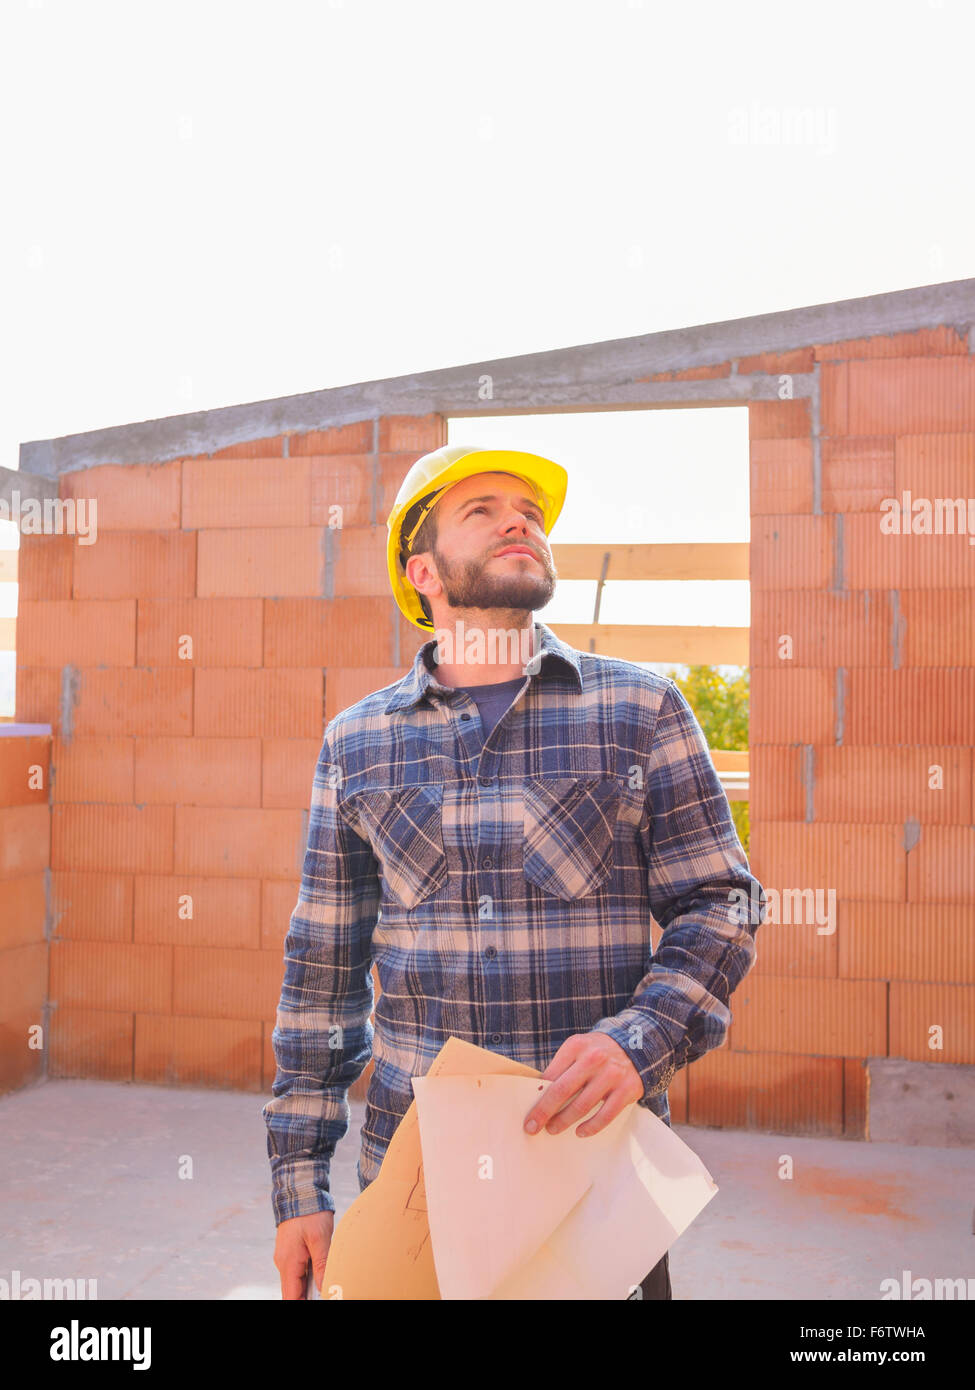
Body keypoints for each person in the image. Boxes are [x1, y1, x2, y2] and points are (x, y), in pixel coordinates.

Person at [263, 442, 765, 1301]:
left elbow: (721, 902)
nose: (518, 524)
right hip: (414, 1187)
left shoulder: (639, 709)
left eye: (529, 513)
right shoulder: (358, 744)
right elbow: (321, 975)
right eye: (483, 511)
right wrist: (297, 1187)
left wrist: (635, 1040)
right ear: (423, 570)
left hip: (594, 1180)